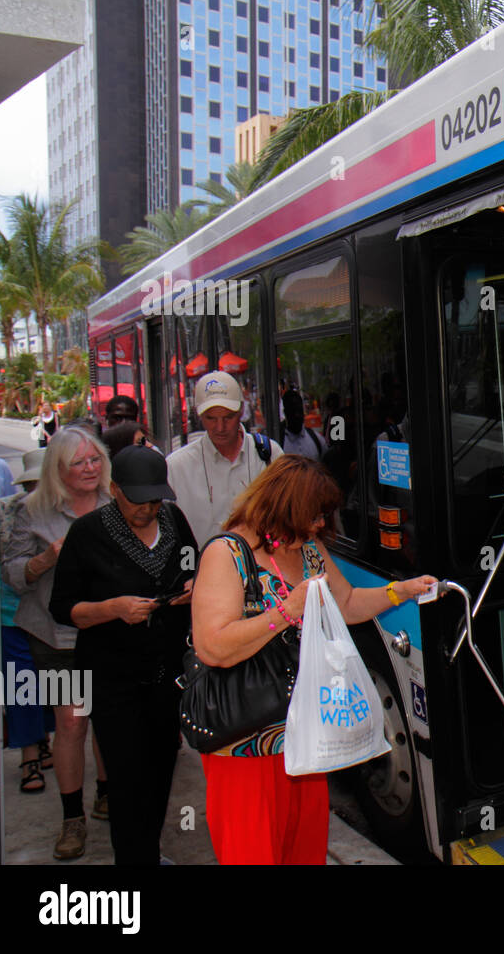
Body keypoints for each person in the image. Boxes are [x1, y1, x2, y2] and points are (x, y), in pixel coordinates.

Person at [190, 454, 441, 864]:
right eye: (315, 514)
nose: (322, 524)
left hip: (305, 737)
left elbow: (347, 604)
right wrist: (286, 611)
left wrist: (402, 590)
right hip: (245, 743)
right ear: (286, 506)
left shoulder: (307, 550)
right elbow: (213, 646)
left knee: (303, 851)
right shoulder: (227, 553)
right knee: (251, 854)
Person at [49, 446, 196, 865]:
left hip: (168, 676)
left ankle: (148, 852)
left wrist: (191, 589)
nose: (147, 509)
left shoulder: (174, 522)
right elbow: (64, 609)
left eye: (154, 499)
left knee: (161, 773)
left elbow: (192, 565)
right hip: (113, 680)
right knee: (128, 781)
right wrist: (112, 608)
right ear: (114, 490)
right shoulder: (88, 532)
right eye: (137, 499)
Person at [3, 427, 112, 859]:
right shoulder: (30, 510)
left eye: (94, 460)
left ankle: (106, 794)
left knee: (107, 717)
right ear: (57, 470)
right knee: (71, 722)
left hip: (108, 627)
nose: (89, 469)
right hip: (56, 634)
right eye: (78, 463)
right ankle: (72, 819)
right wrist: (49, 556)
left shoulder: (117, 504)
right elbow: (15, 576)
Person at [166, 370, 283, 546]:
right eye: (211, 418)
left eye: (228, 417)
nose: (220, 427)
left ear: (241, 410)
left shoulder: (270, 454)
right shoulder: (176, 467)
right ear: (199, 415)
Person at [0, 449, 55, 793]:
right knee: (20, 687)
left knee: (57, 688)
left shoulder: (66, 514)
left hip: (54, 616)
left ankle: (45, 741)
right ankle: (29, 756)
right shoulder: (7, 512)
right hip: (13, 614)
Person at [279, 389, 326, 459]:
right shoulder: (279, 443)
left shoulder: (316, 439)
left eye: (299, 410)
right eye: (293, 411)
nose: (297, 415)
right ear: (286, 413)